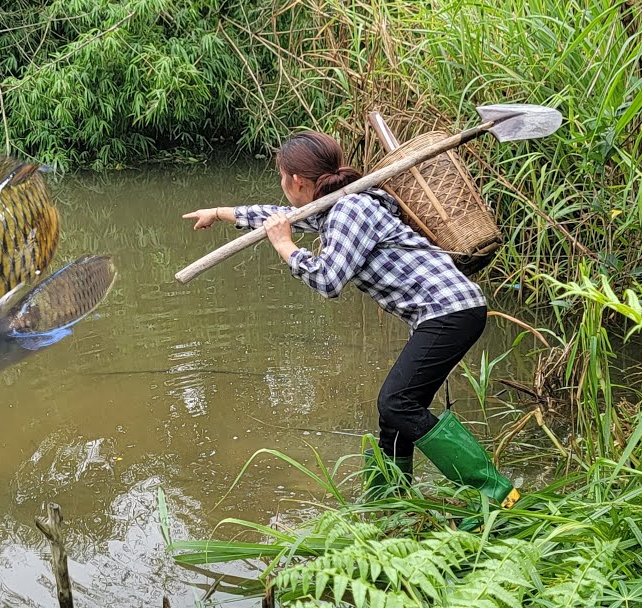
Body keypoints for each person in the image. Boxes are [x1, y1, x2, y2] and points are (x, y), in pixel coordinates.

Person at [182, 130, 519, 513]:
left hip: (450, 311)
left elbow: (328, 281)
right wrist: (220, 213)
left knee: (396, 403)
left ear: (296, 180)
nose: (281, 186)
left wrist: (285, 246)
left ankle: (499, 496)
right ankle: (389, 504)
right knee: (395, 412)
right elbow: (278, 218)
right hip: (445, 313)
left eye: (281, 177)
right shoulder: (334, 209)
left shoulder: (350, 210)